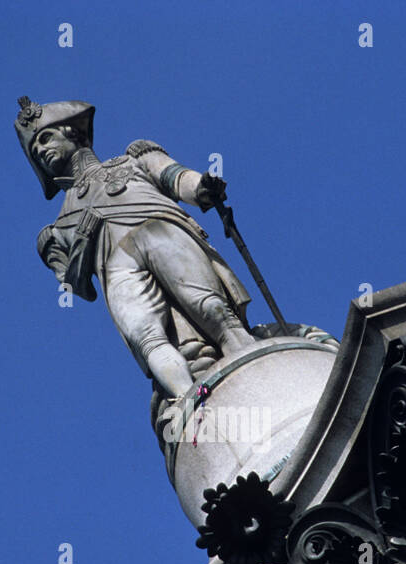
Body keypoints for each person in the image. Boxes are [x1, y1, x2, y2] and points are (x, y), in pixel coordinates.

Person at [15, 96, 257, 399]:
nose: (41, 150)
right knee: (147, 338)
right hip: (116, 268)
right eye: (35, 150)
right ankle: (188, 401)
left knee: (212, 309)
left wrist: (202, 187)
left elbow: (177, 178)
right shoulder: (57, 230)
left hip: (163, 232)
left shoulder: (133, 159)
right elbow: (77, 287)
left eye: (46, 138)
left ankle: (256, 367)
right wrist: (82, 243)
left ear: (71, 132)